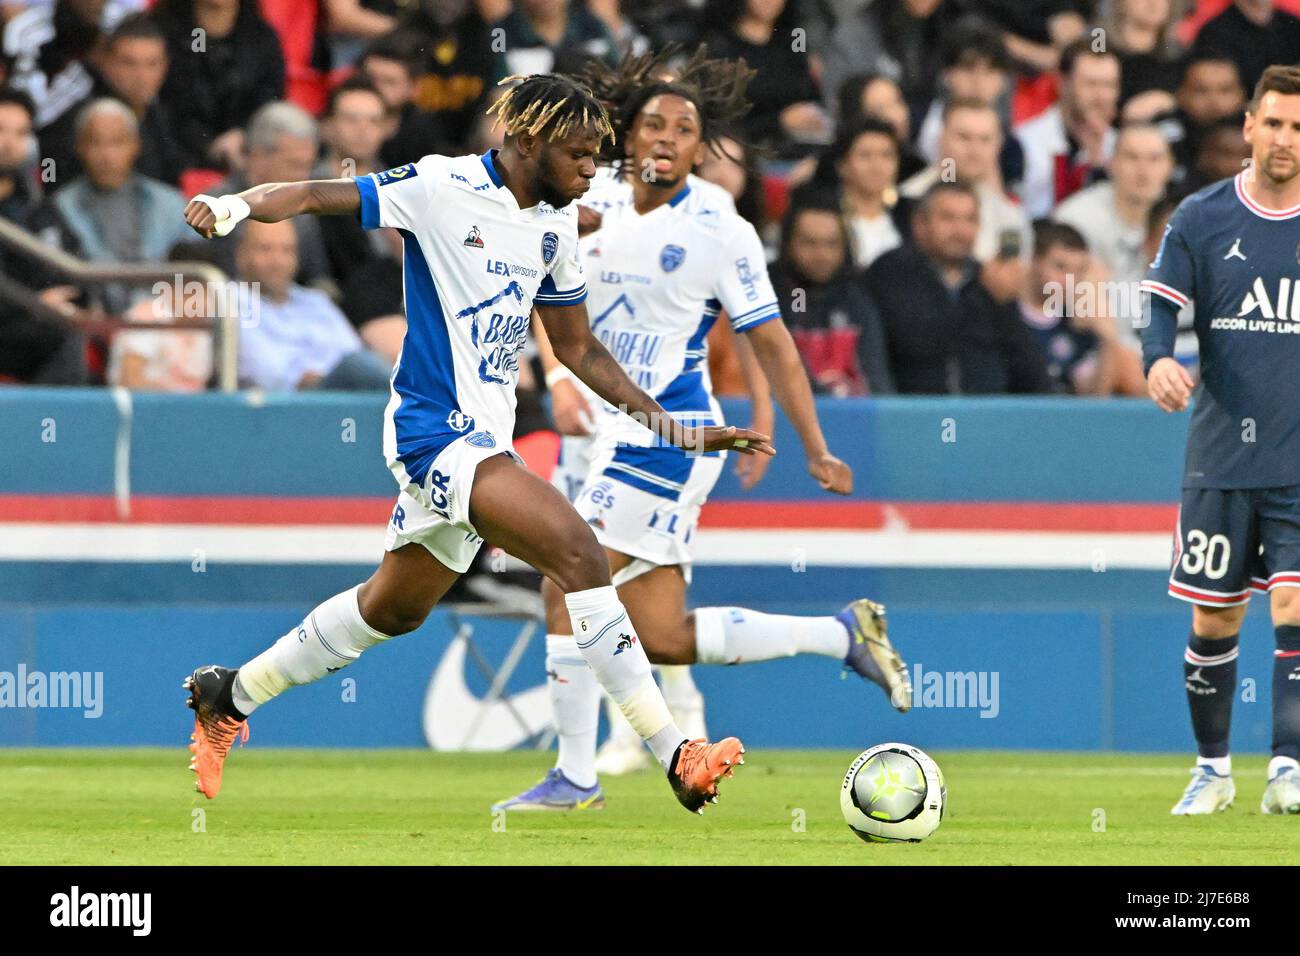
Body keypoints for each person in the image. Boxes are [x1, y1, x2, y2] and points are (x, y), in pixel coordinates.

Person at [180, 72, 770, 814]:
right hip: (434, 431)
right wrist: (235, 204)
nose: (593, 171)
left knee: (391, 611)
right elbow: (309, 194)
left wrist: (674, 425)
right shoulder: (439, 187)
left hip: (488, 438)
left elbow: (580, 351)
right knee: (580, 553)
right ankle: (675, 752)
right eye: (580, 154)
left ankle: (229, 694)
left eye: (598, 155)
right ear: (526, 141)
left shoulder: (556, 225)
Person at [492, 49, 909, 812]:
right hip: (616, 432)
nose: (665, 137)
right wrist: (556, 377)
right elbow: (542, 300)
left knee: (563, 581)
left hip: (675, 436)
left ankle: (575, 776)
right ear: (625, 132)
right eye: (652, 122)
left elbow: (770, 339)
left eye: (683, 128)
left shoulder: (721, 225)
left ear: (699, 146)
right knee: (661, 636)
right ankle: (839, 635)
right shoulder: (591, 198)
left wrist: (810, 443)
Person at [1141, 64, 1300, 816]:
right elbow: (1158, 307)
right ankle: (1212, 771)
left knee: (1296, 609)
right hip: (1220, 458)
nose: (1285, 140)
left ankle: (1289, 768)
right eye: (1274, 123)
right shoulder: (1201, 217)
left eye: (1299, 128)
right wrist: (1157, 360)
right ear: (1248, 126)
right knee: (1215, 619)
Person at [863, 179, 1051, 394]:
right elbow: (918, 342)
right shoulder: (891, 271)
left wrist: (1001, 304)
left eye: (970, 219)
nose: (961, 230)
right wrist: (989, 299)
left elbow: (1030, 371)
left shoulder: (988, 280)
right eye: (948, 218)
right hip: (913, 415)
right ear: (920, 224)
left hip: (987, 417)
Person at [233, 218, 391, 391]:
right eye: (265, 249)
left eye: (287, 250)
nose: (277, 260)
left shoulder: (316, 301)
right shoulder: (230, 299)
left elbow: (352, 350)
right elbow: (268, 373)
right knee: (359, 366)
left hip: (344, 395)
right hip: (289, 402)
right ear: (241, 254)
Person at [1015, 38, 1120, 219]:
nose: (1101, 96)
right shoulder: (1024, 141)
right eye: (1091, 84)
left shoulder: (1122, 147)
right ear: (1062, 83)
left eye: (1109, 85)